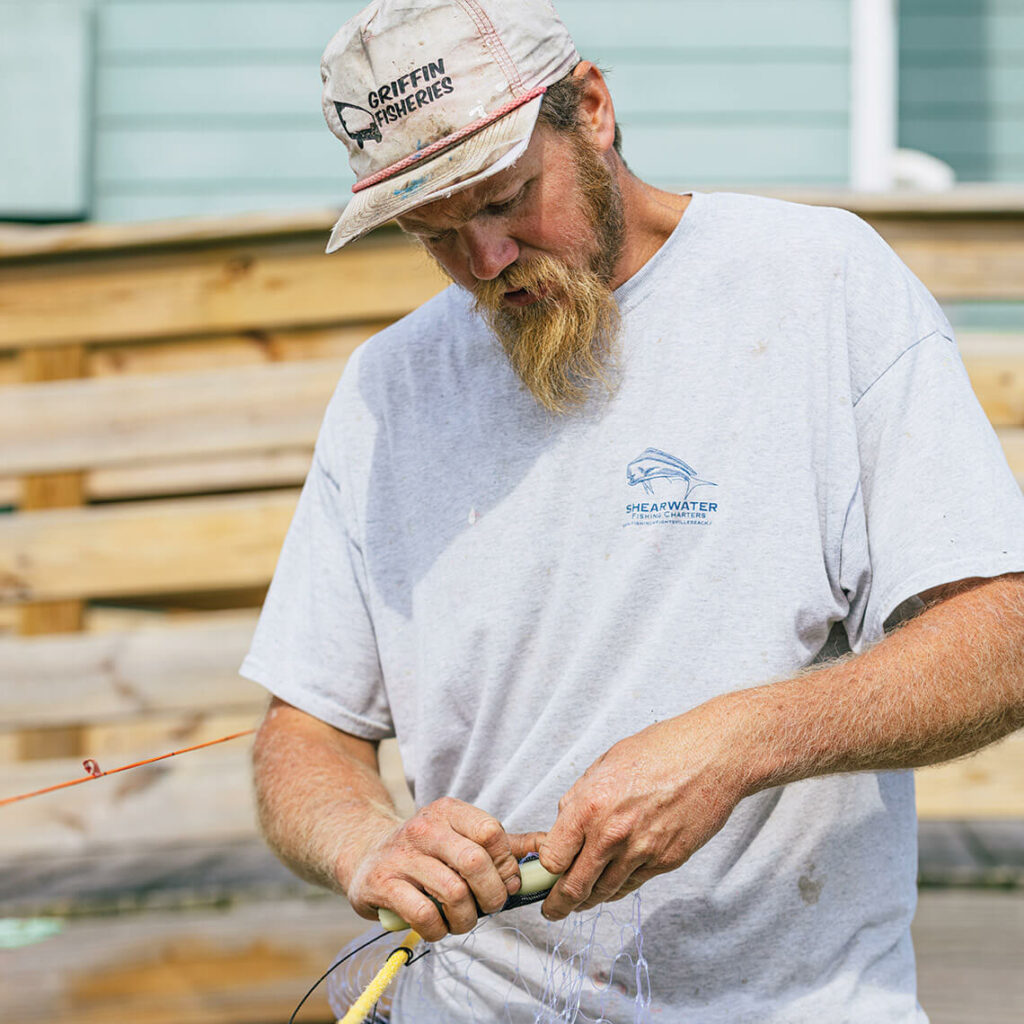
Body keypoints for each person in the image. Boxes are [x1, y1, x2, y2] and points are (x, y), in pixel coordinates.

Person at [242, 0, 1024, 1019]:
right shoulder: (388, 389)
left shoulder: (817, 285)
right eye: (433, 233)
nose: (485, 261)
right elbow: (303, 732)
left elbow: (999, 637)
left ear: (594, 110)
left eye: (508, 198)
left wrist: (735, 742)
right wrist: (367, 842)